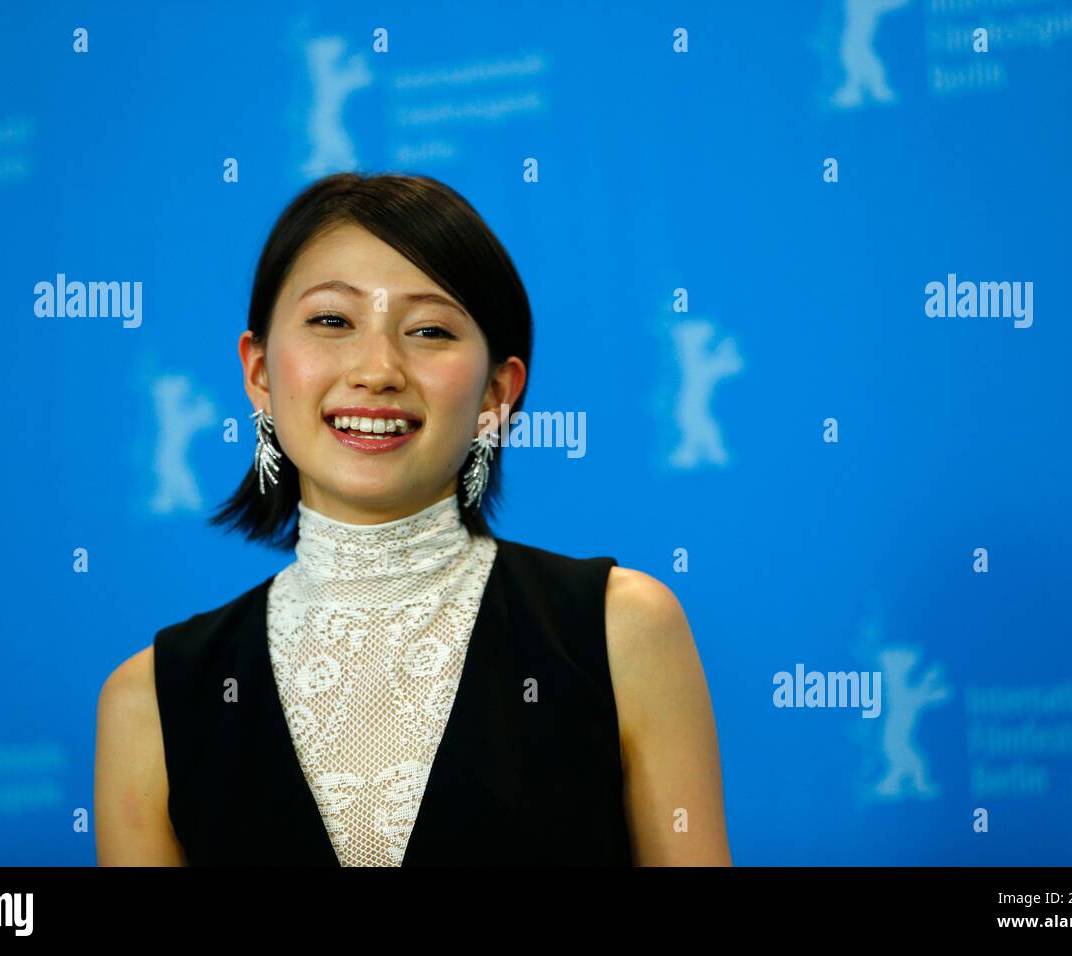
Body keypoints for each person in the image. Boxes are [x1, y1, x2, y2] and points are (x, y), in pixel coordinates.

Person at [94, 172, 731, 866]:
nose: (378, 370)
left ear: (498, 390)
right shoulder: (152, 702)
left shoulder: (618, 631)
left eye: (429, 330)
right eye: (332, 321)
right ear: (259, 374)